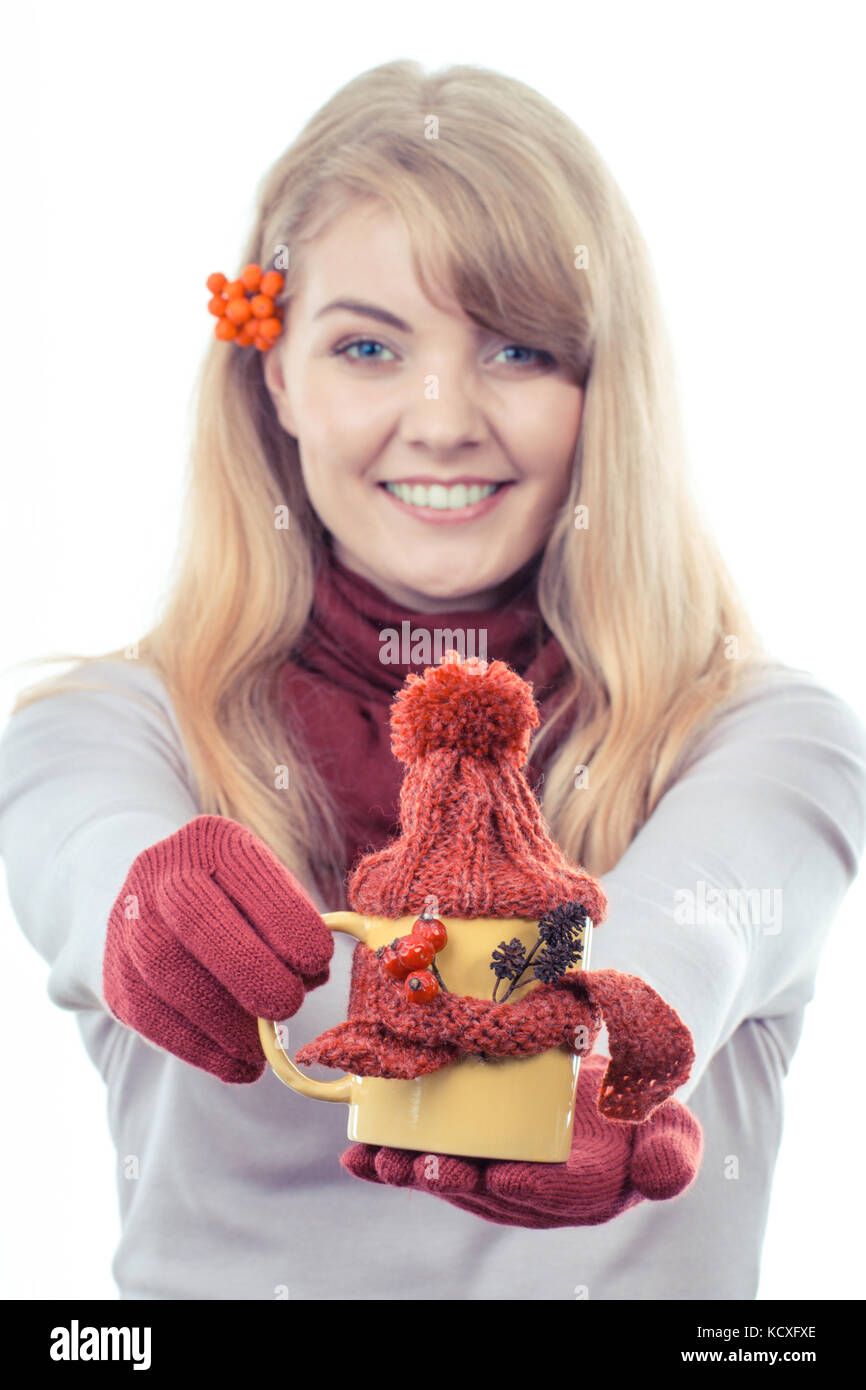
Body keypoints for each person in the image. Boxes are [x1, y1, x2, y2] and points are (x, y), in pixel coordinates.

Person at [1, 58, 865, 1301]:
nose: (444, 416)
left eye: (516, 348)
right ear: (274, 374)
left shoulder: (764, 740)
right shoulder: (99, 733)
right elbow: (88, 858)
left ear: (599, 392)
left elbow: (690, 929)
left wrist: (601, 1040)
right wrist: (144, 909)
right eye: (366, 345)